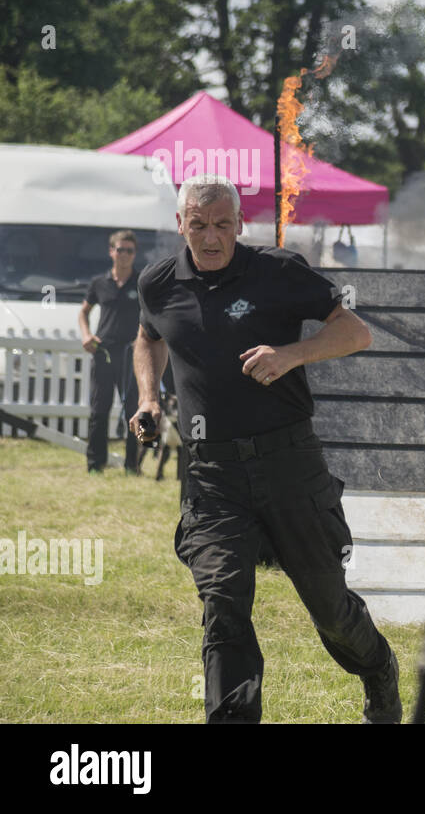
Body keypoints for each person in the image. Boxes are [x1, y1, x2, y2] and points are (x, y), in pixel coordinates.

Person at [129, 175, 400, 723]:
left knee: (330, 609)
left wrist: (292, 355)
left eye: (222, 225)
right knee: (223, 603)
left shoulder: (277, 271)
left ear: (239, 225)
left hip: (289, 466)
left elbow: (355, 332)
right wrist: (149, 399)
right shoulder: (158, 282)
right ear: (180, 224)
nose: (210, 237)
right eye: (198, 224)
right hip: (212, 475)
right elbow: (148, 337)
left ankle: (377, 668)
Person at [79, 229, 143, 473]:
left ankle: (132, 466)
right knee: (99, 410)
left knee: (133, 411)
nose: (124, 254)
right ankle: (95, 464)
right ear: (111, 251)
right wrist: (86, 336)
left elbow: (151, 315)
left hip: (131, 355)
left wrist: (142, 338)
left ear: (134, 254)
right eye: (120, 249)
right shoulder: (99, 282)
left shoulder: (140, 282)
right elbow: (83, 312)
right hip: (103, 353)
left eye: (129, 250)